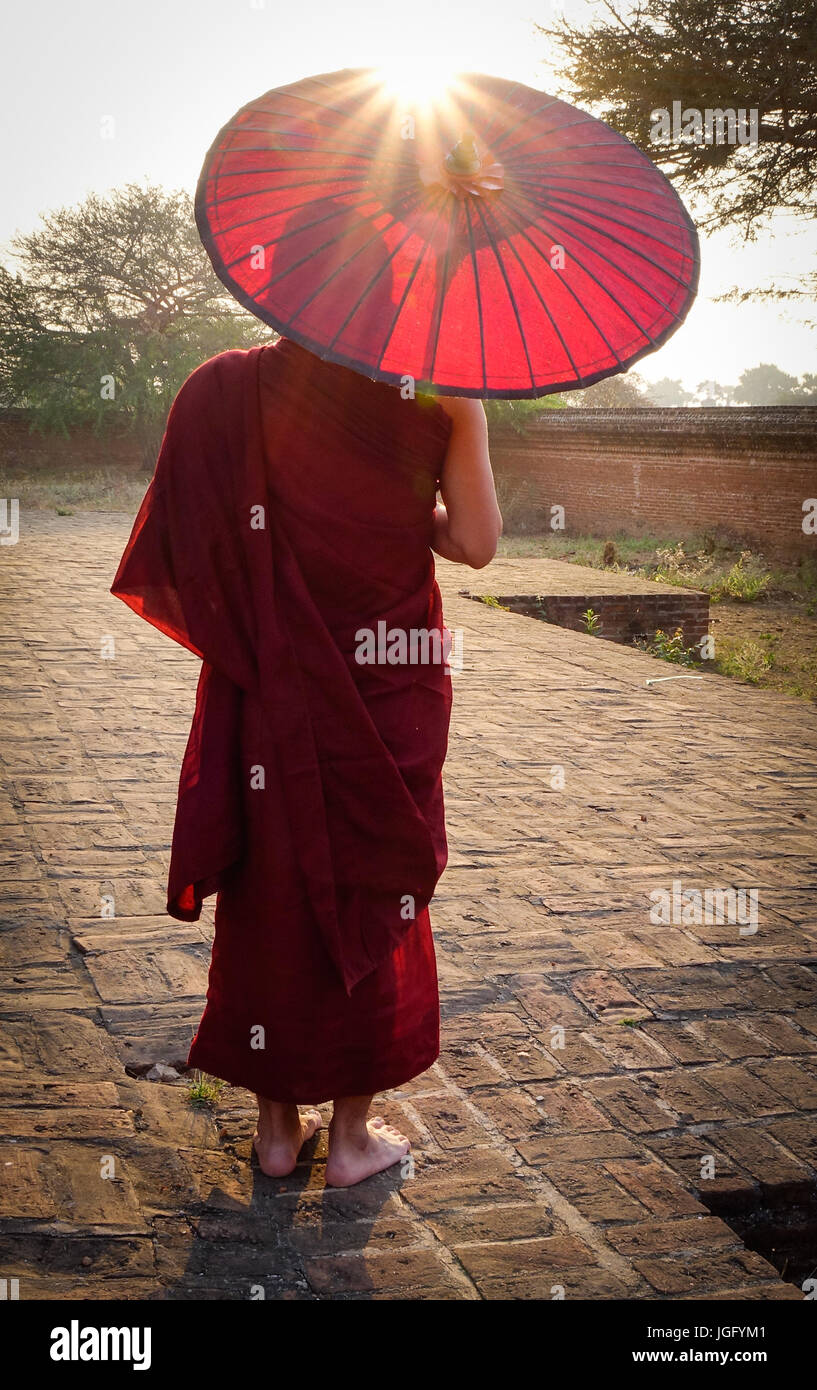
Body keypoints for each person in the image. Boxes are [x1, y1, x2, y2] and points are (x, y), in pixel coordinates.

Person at [110, 334, 501, 1187]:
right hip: (389, 670)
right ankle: (353, 1138)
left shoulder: (226, 386)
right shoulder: (445, 389)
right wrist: (410, 507)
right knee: (374, 872)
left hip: (273, 675)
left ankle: (277, 1131)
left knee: (273, 884)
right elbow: (475, 541)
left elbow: (186, 534)